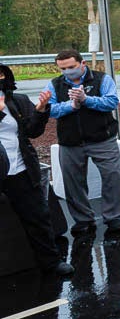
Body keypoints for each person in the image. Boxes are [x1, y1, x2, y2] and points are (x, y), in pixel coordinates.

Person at [43, 50, 120, 236]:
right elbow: (49, 109)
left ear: (82, 63)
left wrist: (86, 100)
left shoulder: (101, 79)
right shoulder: (55, 84)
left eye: (71, 67)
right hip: (70, 141)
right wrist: (71, 105)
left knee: (112, 177)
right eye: (63, 68)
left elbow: (112, 102)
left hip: (102, 138)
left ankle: (113, 217)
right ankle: (83, 219)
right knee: (73, 183)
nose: (67, 71)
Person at [0, 65, 73, 277]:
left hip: (20, 168)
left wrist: (40, 111)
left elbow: (32, 131)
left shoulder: (17, 100)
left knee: (38, 216)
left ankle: (51, 262)